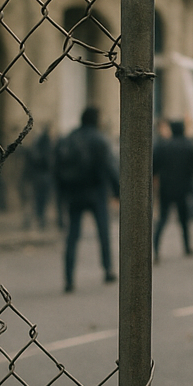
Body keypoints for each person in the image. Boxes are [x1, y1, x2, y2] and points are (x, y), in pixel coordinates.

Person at [55, 106, 118, 293]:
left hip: (74, 193)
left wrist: (62, 194)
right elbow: (109, 166)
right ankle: (107, 270)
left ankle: (69, 278)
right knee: (103, 233)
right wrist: (118, 191)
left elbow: (58, 167)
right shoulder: (99, 139)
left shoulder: (69, 138)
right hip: (96, 192)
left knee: (72, 236)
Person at [152, 120, 193, 261]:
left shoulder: (164, 145)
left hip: (166, 187)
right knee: (184, 219)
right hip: (183, 187)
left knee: (162, 219)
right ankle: (187, 247)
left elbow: (154, 166)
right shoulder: (188, 145)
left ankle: (155, 248)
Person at [21, 125, 54, 229]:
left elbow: (27, 165)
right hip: (42, 177)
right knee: (39, 200)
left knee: (34, 200)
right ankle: (38, 220)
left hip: (35, 177)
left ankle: (32, 221)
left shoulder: (33, 149)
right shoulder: (46, 149)